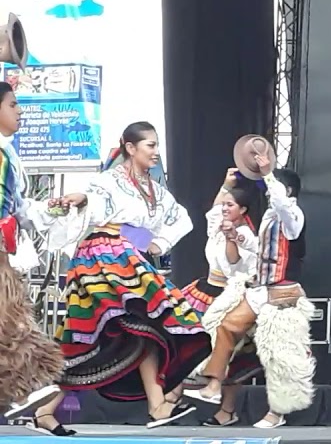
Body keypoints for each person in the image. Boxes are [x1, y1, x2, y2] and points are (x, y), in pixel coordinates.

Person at [25, 121, 204, 432]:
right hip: (102, 257)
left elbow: (179, 218)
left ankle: (155, 405)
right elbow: (92, 198)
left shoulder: (155, 191)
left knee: (134, 326)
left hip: (128, 258)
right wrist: (79, 199)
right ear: (131, 148)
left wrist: (157, 243)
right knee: (131, 321)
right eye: (150, 145)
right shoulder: (110, 181)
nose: (156, 152)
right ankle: (156, 405)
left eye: (157, 145)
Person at [190, 164, 314, 430]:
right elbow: (262, 248)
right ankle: (213, 384)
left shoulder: (292, 214)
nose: (267, 192)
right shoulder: (271, 215)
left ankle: (277, 413)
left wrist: (268, 173)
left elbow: (281, 202)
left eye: (271, 187)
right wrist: (239, 238)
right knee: (226, 326)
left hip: (283, 296)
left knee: (279, 356)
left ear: (286, 190)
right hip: (260, 290)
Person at [178, 171, 262, 426]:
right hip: (204, 289)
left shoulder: (247, 235)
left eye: (230, 205)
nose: (224, 208)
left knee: (232, 355)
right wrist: (227, 183)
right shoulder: (218, 222)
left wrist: (231, 236)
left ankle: (226, 411)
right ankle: (172, 399)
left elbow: (233, 262)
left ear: (243, 209)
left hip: (230, 296)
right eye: (225, 203)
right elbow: (215, 208)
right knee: (182, 341)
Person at [0, 81, 63, 422]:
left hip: (3, 251)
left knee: (12, 322)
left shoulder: (8, 153)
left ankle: (30, 395)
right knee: (12, 324)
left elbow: (19, 208)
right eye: (12, 104)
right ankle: (32, 393)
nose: (19, 110)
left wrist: (54, 209)